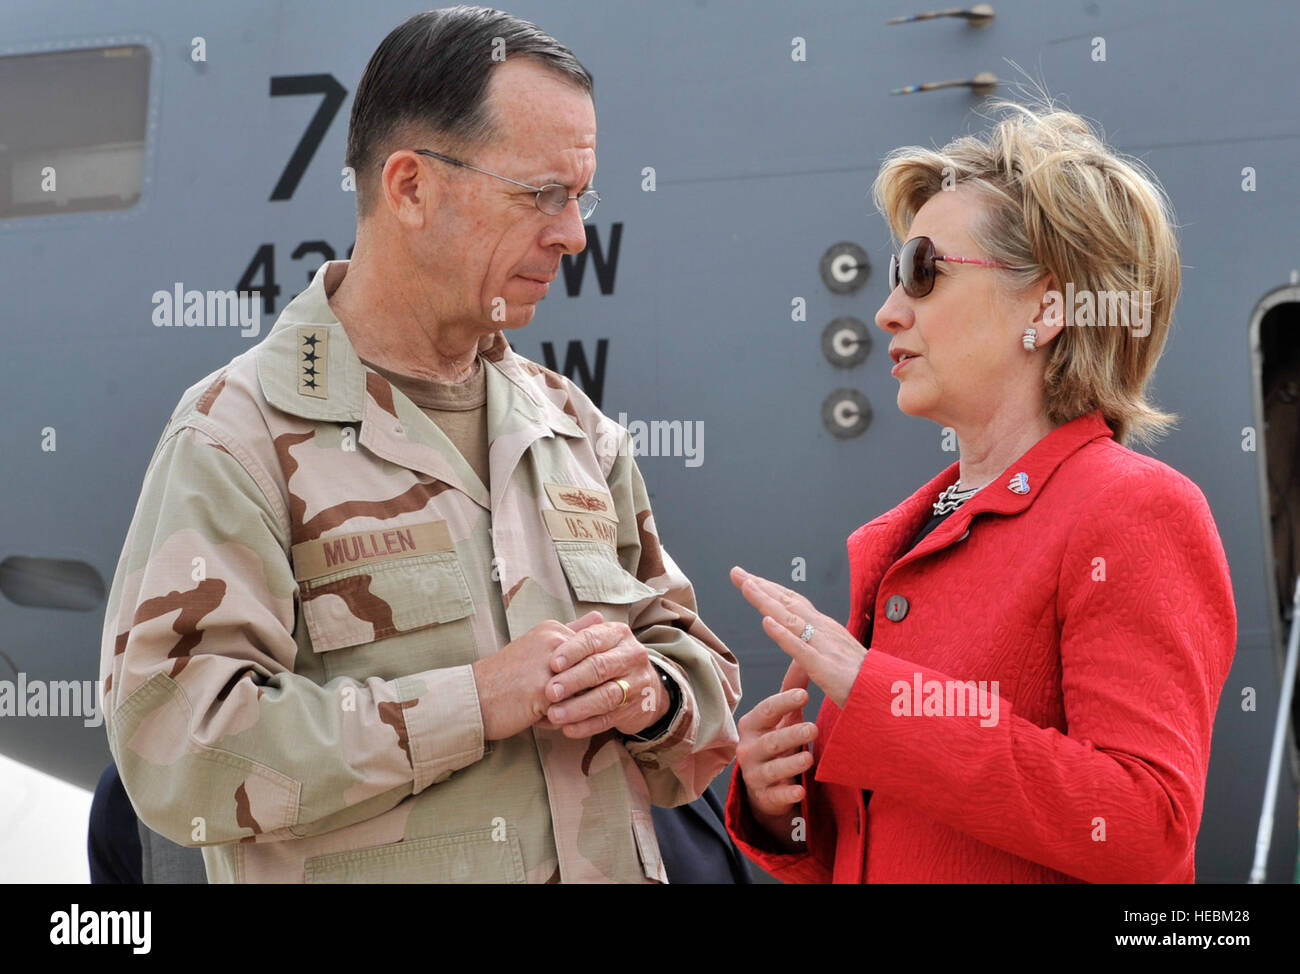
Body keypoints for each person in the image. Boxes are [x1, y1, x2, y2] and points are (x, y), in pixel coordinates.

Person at [99, 5, 740, 884]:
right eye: (541, 194)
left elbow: (701, 700)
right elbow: (174, 752)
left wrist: (651, 692)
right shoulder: (237, 436)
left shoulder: (573, 432)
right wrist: (473, 702)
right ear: (409, 188)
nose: (573, 233)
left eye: (581, 196)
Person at [724, 99, 1237, 883]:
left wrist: (882, 697)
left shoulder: (1132, 508)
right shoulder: (901, 538)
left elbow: (1141, 826)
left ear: (1048, 305)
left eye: (922, 271)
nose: (889, 310)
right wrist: (782, 807)